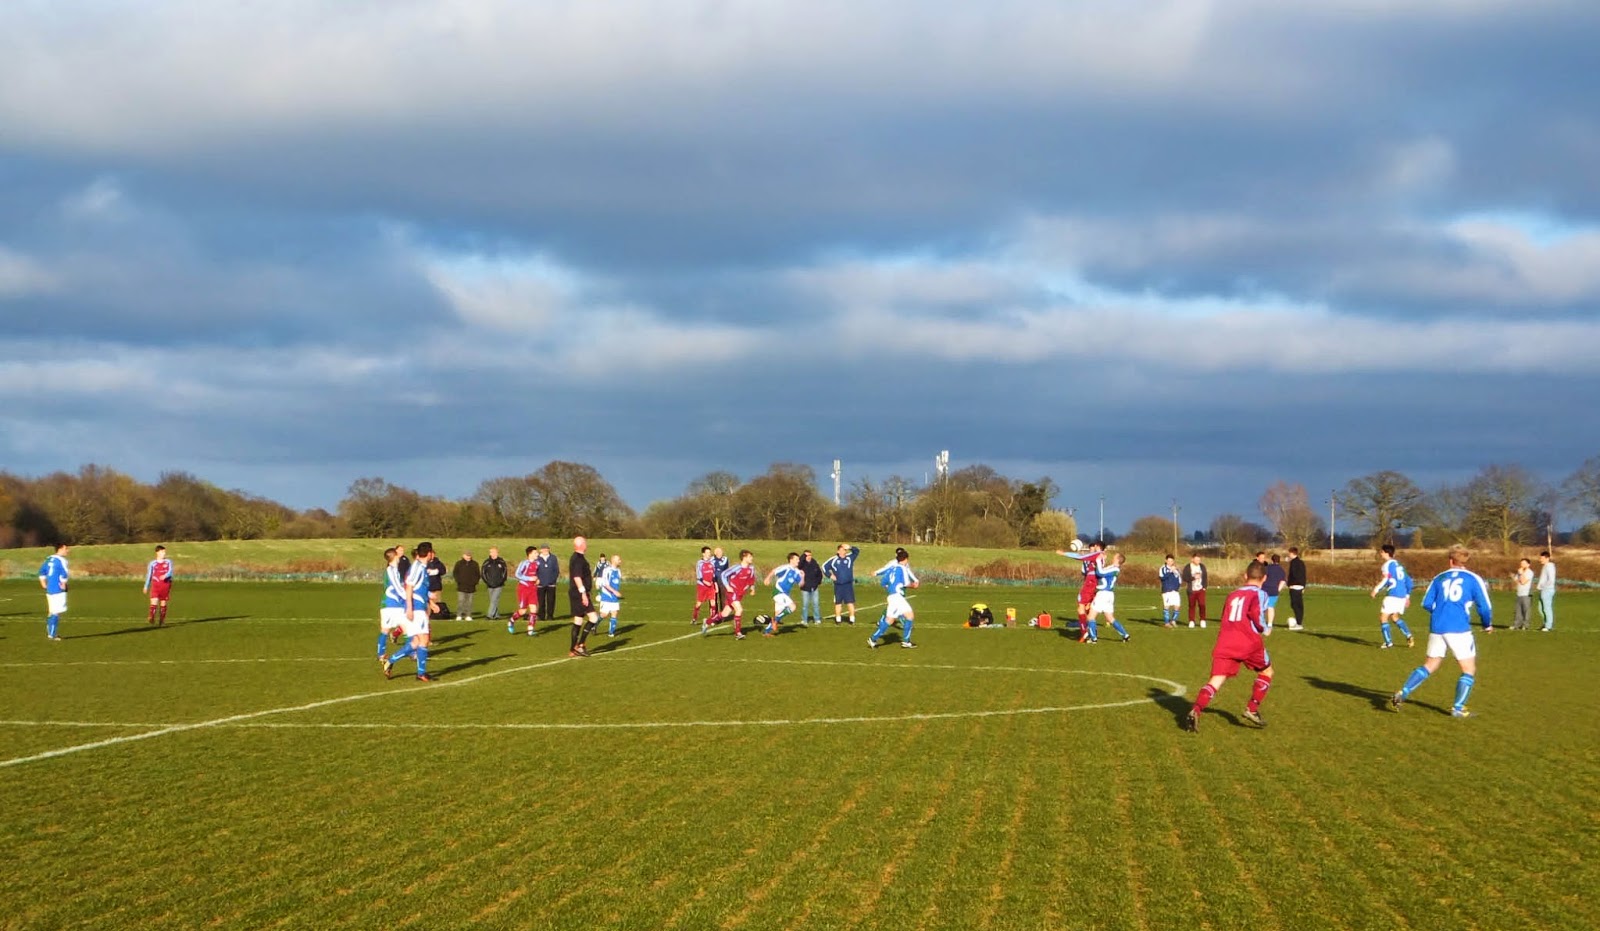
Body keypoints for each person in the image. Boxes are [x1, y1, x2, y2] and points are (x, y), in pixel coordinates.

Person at [1391, 547, 1492, 718]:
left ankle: (1404, 691)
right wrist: (1487, 624)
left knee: (1430, 665)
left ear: (1450, 561)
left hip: (1437, 627)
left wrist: (1440, 613)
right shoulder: (1473, 579)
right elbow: (1484, 606)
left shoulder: (1439, 578)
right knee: (1468, 669)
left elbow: (1426, 603)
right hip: (1459, 628)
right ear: (1466, 562)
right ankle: (1458, 709)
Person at [1184, 562, 1273, 732]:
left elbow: (1225, 616)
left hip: (1226, 641)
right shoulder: (1260, 594)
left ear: (1245, 576)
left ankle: (1195, 710)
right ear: (1265, 578)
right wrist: (1264, 628)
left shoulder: (1233, 594)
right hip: (1248, 641)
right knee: (1267, 671)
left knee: (1217, 679)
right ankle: (1252, 709)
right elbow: (1256, 614)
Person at [382, 543, 433, 681]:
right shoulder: (417, 567)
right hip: (415, 608)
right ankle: (421, 673)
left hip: (418, 607)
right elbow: (409, 586)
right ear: (429, 553)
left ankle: (390, 661)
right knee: (424, 640)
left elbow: (418, 588)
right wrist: (409, 607)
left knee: (416, 642)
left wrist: (431, 603)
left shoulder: (420, 567)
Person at [868, 547, 919, 649]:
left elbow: (883, 582)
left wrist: (890, 588)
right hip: (898, 598)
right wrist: (914, 585)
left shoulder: (892, 568)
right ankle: (906, 641)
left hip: (892, 596)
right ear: (906, 559)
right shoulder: (903, 568)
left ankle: (873, 639)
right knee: (910, 616)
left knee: (890, 620)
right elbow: (906, 583)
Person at [1370, 544, 1416, 649]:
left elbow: (1386, 579)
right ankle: (1409, 635)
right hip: (1402, 595)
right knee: (1395, 617)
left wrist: (1376, 590)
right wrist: (1407, 596)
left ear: (1386, 553)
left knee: (1383, 618)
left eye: (1382, 552)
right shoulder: (1400, 566)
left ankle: (1388, 642)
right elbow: (1409, 581)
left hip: (1392, 595)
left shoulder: (1386, 565)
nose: (1381, 554)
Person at [705, 550, 757, 639]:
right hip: (732, 593)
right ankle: (738, 633)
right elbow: (723, 575)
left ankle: (707, 622)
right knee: (739, 610)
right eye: (749, 557)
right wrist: (727, 586)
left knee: (725, 614)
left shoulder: (751, 569)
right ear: (744, 558)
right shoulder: (737, 567)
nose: (751, 558)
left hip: (740, 594)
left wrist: (752, 589)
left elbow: (751, 580)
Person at [1056, 541, 1105, 631]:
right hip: (1091, 582)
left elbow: (1080, 557)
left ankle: (1084, 629)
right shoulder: (1101, 555)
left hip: (1090, 583)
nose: (1092, 548)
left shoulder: (1097, 554)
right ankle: (1088, 628)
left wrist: (1063, 553)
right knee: (1085, 606)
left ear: (1097, 546)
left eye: (1094, 546)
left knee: (1081, 606)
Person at [1085, 552, 1132, 643]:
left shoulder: (1115, 569)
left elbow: (1100, 573)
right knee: (1110, 618)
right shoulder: (1113, 568)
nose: (1113, 557)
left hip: (1103, 594)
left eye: (1115, 556)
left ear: (1118, 559)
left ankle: (1093, 638)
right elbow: (1101, 570)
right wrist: (1102, 561)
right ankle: (1125, 635)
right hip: (1109, 595)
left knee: (1091, 616)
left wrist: (1098, 560)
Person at [568, 537, 599, 657]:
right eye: (585, 542)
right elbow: (577, 577)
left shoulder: (577, 557)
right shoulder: (578, 559)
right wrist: (583, 594)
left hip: (577, 593)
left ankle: (573, 648)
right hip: (579, 594)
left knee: (578, 620)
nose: (587, 544)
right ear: (581, 545)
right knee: (593, 618)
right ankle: (580, 645)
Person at [377, 547, 407, 663]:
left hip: (391, 604)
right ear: (394, 556)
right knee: (403, 627)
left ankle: (381, 654)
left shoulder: (394, 569)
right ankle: (412, 652)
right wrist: (406, 598)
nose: (400, 554)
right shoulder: (391, 570)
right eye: (398, 552)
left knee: (389, 629)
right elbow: (396, 587)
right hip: (392, 604)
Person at [762, 552, 803, 636]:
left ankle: (766, 632)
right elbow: (774, 571)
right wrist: (768, 578)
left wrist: (803, 576)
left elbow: (801, 585)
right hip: (779, 592)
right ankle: (776, 620)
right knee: (793, 607)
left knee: (779, 613)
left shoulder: (797, 572)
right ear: (791, 560)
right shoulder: (786, 568)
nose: (798, 561)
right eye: (796, 559)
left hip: (785, 594)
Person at [823, 544, 860, 625]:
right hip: (838, 585)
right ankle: (838, 619)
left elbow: (857, 551)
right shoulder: (833, 560)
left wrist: (850, 547)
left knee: (850, 602)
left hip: (848, 585)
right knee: (838, 603)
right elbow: (824, 567)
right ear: (838, 551)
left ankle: (852, 619)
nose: (843, 552)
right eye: (841, 550)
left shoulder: (850, 558)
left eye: (844, 550)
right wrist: (830, 575)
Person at [39, 542, 70, 641]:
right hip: (58, 589)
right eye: (66, 549)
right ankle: (52, 634)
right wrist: (64, 584)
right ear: (60, 549)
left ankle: (50, 632)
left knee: (52, 611)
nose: (68, 551)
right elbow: (64, 573)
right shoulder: (62, 560)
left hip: (50, 588)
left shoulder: (49, 559)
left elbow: (42, 571)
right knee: (56, 612)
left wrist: (43, 582)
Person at [510, 546, 540, 635]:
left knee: (534, 609)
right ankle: (511, 620)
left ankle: (530, 630)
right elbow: (517, 574)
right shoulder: (524, 563)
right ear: (530, 554)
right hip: (523, 588)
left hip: (533, 589)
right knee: (523, 611)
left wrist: (538, 579)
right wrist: (529, 578)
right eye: (535, 553)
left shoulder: (537, 563)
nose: (537, 554)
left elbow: (537, 574)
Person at [143, 544, 175, 626]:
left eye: (164, 552)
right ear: (157, 552)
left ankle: (162, 620)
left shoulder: (169, 562)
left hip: (165, 585)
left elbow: (171, 571)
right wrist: (146, 586)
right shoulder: (152, 563)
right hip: (155, 585)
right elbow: (149, 575)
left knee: (163, 603)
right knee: (154, 601)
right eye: (162, 552)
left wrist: (165, 575)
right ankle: (151, 617)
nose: (164, 553)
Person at [536, 543, 561, 629]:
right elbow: (535, 570)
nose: (545, 550)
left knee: (551, 600)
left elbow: (556, 570)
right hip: (540, 584)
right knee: (541, 601)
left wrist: (553, 580)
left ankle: (550, 615)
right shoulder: (537, 558)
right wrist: (537, 579)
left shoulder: (553, 558)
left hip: (551, 584)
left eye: (547, 549)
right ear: (541, 550)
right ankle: (541, 616)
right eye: (544, 549)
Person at [692, 546, 719, 624]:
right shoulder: (699, 563)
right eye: (707, 552)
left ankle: (712, 619)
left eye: (709, 552)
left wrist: (715, 584)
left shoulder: (712, 563)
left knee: (713, 602)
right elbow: (699, 576)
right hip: (702, 586)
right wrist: (705, 582)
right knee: (698, 603)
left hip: (711, 586)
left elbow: (713, 575)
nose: (709, 554)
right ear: (703, 554)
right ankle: (694, 618)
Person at [598, 553, 624, 637]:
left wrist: (616, 592)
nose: (620, 561)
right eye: (618, 559)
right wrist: (614, 592)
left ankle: (611, 632)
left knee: (614, 613)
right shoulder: (607, 570)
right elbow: (605, 584)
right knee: (604, 614)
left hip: (614, 597)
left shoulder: (618, 571)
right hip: (607, 595)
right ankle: (593, 626)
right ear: (613, 561)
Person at [1262, 554, 1288, 633]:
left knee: (1262, 607)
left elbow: (1263, 578)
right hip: (1274, 591)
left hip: (1264, 589)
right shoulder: (1281, 570)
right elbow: (1282, 581)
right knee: (1271, 607)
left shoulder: (1267, 568)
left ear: (1272, 560)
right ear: (1279, 560)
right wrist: (1278, 590)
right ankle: (1270, 624)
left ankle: (1261, 622)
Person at [481, 546, 509, 620]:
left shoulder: (502, 562)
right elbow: (483, 573)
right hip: (489, 585)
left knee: (494, 600)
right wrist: (487, 582)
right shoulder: (486, 562)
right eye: (490, 552)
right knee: (493, 600)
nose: (491, 553)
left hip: (499, 585)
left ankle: (489, 615)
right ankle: (496, 615)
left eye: (493, 552)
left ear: (497, 552)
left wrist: (501, 581)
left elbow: (505, 573)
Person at [1180, 554, 1208, 628]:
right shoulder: (1188, 567)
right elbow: (1184, 578)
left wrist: (1204, 587)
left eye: (1199, 560)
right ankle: (1191, 621)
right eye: (1196, 559)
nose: (1198, 561)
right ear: (1192, 559)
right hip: (1191, 590)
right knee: (1192, 605)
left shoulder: (1202, 566)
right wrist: (1193, 577)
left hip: (1201, 589)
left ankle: (1202, 620)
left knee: (1202, 605)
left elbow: (1205, 576)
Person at [798, 549, 824, 625]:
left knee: (816, 604)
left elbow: (819, 574)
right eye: (806, 555)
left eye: (810, 555)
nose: (808, 557)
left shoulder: (814, 563)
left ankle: (817, 619)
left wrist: (818, 582)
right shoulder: (801, 564)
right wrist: (803, 557)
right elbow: (799, 566)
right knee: (805, 605)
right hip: (805, 588)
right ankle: (804, 619)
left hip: (814, 587)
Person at [452, 551, 480, 620]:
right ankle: (459, 615)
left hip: (471, 586)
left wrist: (474, 582)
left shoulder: (475, 564)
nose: (468, 557)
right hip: (461, 586)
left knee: (469, 602)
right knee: (461, 601)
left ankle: (468, 615)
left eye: (469, 555)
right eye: (467, 555)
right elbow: (455, 573)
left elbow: (478, 574)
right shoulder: (459, 564)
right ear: (463, 555)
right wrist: (458, 581)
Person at [1285, 546, 1307, 630]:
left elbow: (1293, 574)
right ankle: (1299, 622)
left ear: (1291, 553)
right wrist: (1304, 586)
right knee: (1298, 605)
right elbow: (1304, 575)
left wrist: (1289, 584)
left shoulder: (1293, 563)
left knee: (1295, 605)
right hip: (1300, 586)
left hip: (1294, 586)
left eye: (1289, 553)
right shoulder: (1301, 562)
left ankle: (1298, 623)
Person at [1159, 554, 1182, 628]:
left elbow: (1179, 579)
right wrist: (1170, 571)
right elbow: (1162, 578)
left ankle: (1173, 620)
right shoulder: (1163, 568)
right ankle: (1166, 623)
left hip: (1175, 591)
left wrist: (1178, 586)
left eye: (1171, 561)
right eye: (1168, 561)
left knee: (1177, 606)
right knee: (1167, 606)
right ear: (1166, 561)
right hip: (1167, 591)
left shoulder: (1176, 569)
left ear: (1173, 561)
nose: (1170, 562)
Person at [424, 544, 447, 619]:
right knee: (427, 603)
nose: (432, 555)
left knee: (437, 602)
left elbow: (443, 571)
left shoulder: (438, 563)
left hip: (436, 586)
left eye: (433, 554)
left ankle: (436, 616)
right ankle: (428, 615)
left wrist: (437, 571)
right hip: (428, 587)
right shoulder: (424, 563)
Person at [1511, 558, 1534, 631]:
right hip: (1519, 593)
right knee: (1518, 611)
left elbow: (1523, 582)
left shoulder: (1529, 572)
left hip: (1526, 593)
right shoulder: (1519, 572)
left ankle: (1525, 625)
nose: (1522, 565)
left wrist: (1521, 574)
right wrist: (1514, 576)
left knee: (1526, 610)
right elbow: (1517, 581)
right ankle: (1516, 625)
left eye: (1524, 563)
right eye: (1521, 563)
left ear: (1528, 564)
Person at [1537, 551, 1556, 631]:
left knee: (1547, 608)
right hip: (1543, 590)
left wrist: (1543, 586)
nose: (1540, 560)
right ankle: (1546, 623)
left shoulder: (1550, 567)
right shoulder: (1545, 566)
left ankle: (1548, 626)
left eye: (1542, 558)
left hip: (1547, 590)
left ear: (1547, 558)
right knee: (1540, 608)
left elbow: (1551, 580)